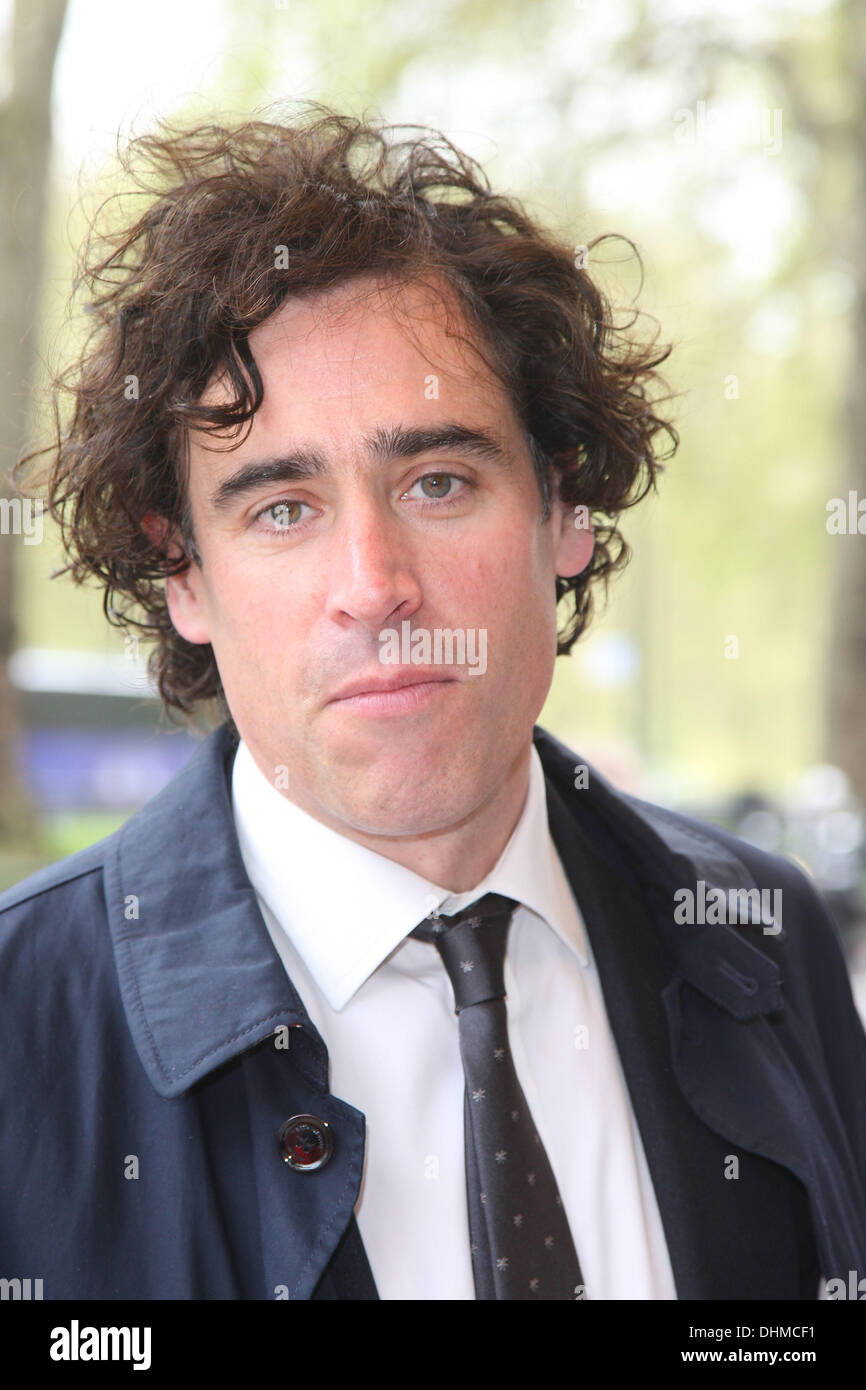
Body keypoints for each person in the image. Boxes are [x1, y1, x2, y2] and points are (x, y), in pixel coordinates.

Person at [3, 102, 865, 1302]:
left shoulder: (759, 938)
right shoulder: (21, 1031)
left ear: (561, 512)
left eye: (439, 480)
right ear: (184, 576)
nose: (374, 587)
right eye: (281, 509)